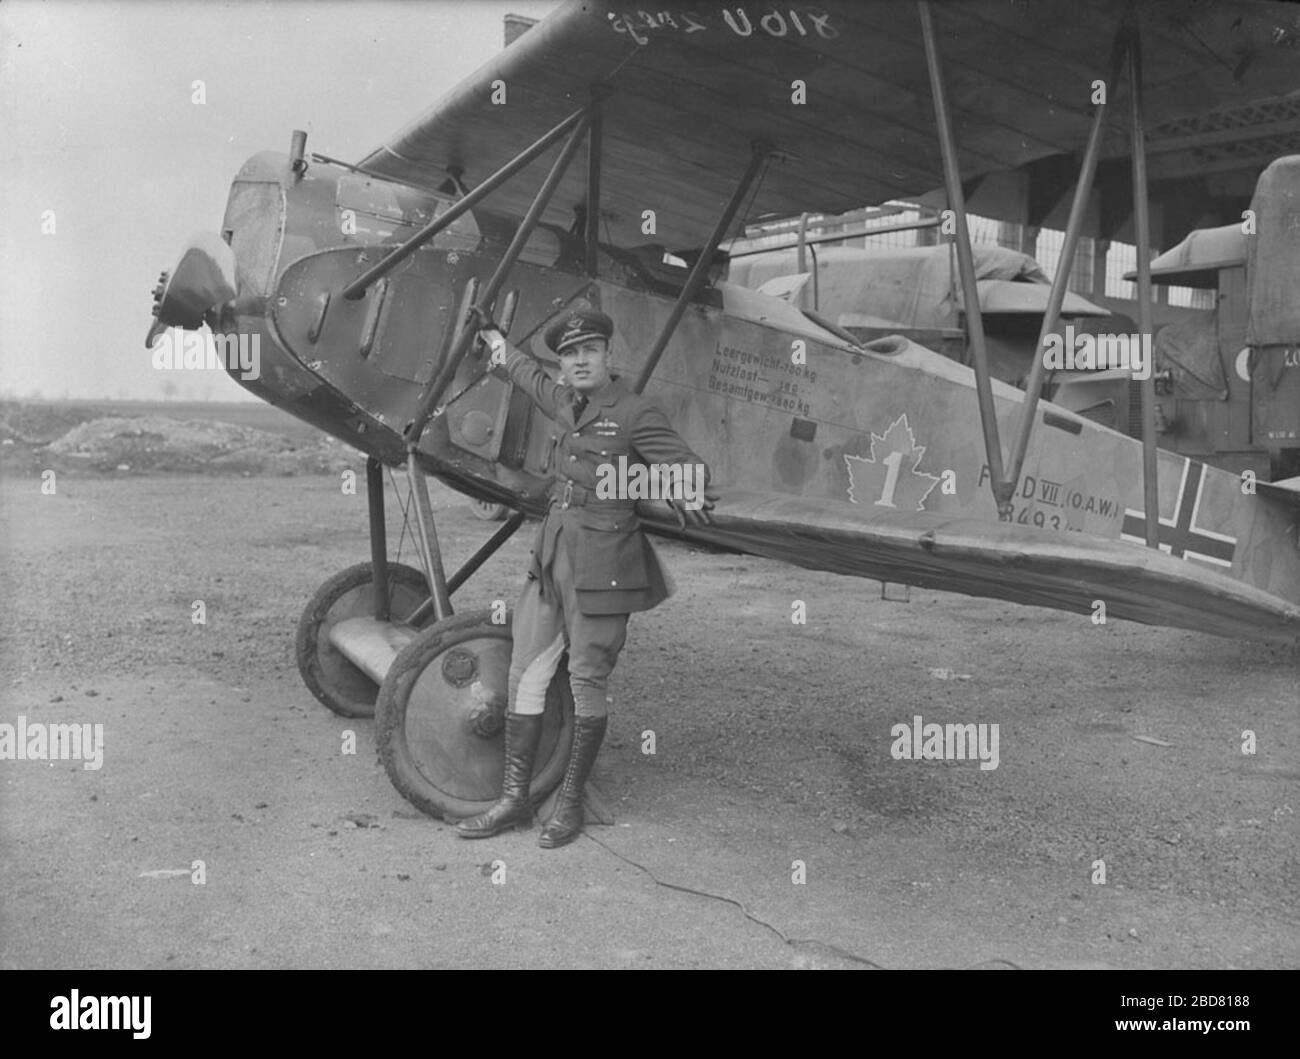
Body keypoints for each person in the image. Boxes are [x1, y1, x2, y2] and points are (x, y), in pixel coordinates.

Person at [457, 308, 714, 848]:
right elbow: (525, 374)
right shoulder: (564, 400)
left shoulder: (635, 412)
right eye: (570, 354)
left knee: (586, 681)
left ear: (607, 355)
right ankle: (515, 800)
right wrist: (495, 341)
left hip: (604, 566)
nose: (579, 361)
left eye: (588, 351)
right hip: (552, 557)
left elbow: (689, 466)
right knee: (525, 672)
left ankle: (570, 803)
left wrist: (678, 485)